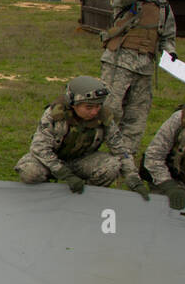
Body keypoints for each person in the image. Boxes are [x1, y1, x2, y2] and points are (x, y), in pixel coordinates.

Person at [14, 75, 150, 199]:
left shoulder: (104, 117)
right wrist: (64, 173)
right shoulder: (54, 114)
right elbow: (39, 148)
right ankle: (43, 197)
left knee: (112, 166)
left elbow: (120, 149)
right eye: (89, 107)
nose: (94, 111)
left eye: (98, 106)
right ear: (73, 104)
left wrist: (133, 177)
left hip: (82, 160)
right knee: (29, 171)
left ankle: (87, 198)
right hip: (53, 159)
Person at [98, 0, 177, 153]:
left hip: (145, 67)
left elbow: (168, 35)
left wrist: (171, 52)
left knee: (137, 114)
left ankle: (125, 156)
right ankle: (95, 147)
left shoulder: (163, 6)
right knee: (110, 109)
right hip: (119, 62)